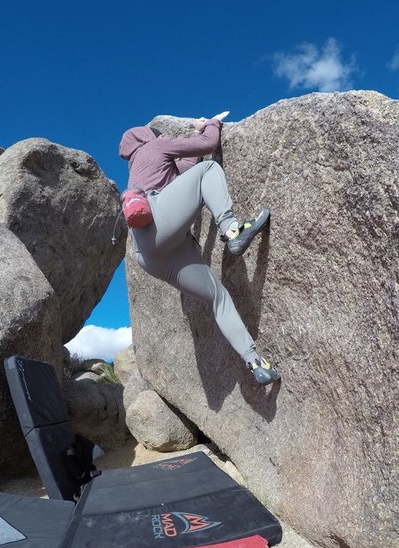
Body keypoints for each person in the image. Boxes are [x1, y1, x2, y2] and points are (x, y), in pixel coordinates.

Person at [118, 115, 280, 385]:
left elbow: (185, 171)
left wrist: (194, 134)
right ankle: (232, 230)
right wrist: (209, 126)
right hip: (162, 221)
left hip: (148, 255)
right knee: (209, 171)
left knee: (219, 298)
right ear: (149, 136)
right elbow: (208, 146)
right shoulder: (157, 146)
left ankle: (255, 363)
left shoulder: (136, 170)